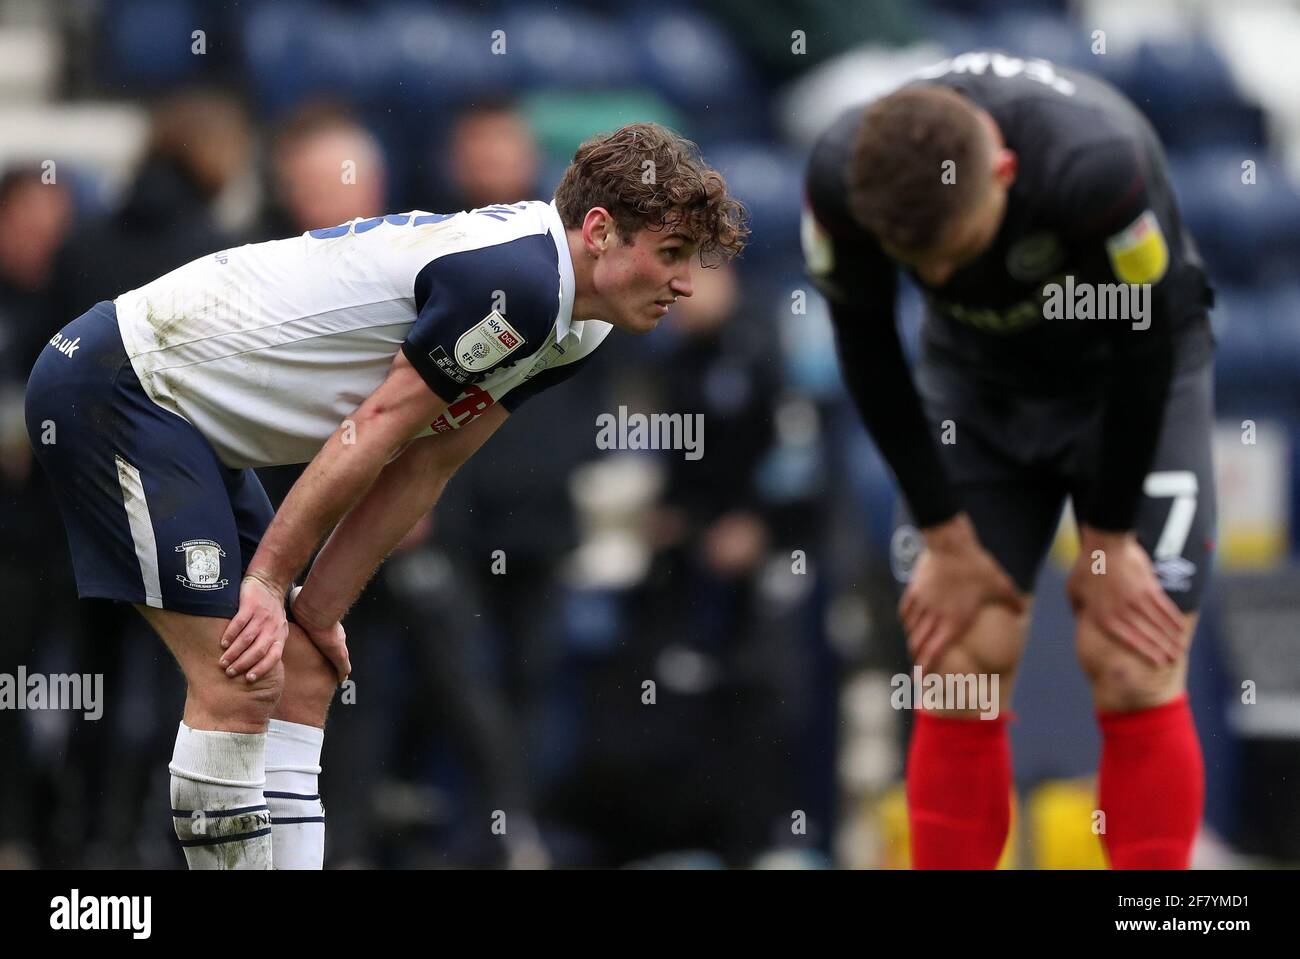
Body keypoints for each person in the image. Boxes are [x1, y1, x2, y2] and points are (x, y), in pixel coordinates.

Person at [24, 121, 747, 869]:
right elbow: (370, 432)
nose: (686, 282)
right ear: (599, 230)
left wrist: (317, 608)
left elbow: (425, 465)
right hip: (123, 388)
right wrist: (272, 581)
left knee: (303, 667)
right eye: (670, 253)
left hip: (187, 420)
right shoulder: (524, 286)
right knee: (240, 675)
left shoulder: (576, 324)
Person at [802, 52, 1215, 869]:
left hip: (1127, 382)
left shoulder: (1096, 168)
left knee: (1134, 654)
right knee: (957, 655)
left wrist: (1110, 538)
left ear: (1006, 171)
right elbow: (869, 348)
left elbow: (1147, 346)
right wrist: (945, 535)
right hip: (978, 394)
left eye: (954, 249)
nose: (944, 275)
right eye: (920, 265)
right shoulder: (843, 174)